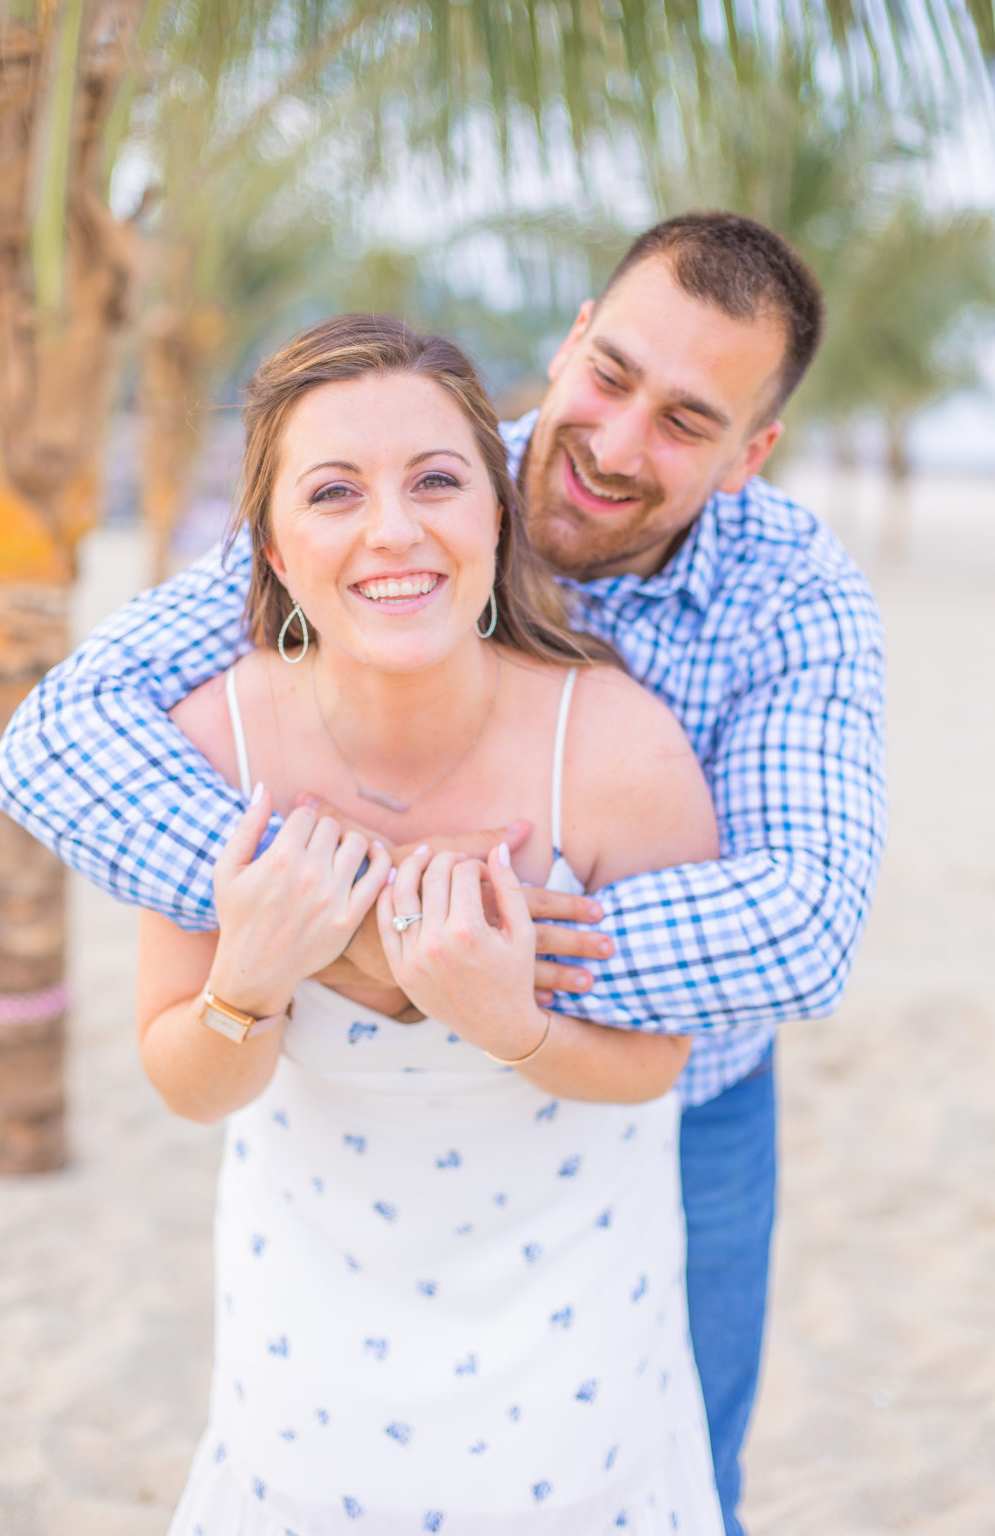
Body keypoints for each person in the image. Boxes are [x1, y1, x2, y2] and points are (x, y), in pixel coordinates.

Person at [0, 211, 887, 1535]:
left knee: (688, 1468)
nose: (619, 443)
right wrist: (346, 933)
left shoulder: (791, 592)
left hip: (683, 1107)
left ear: (752, 455)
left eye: (688, 423)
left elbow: (804, 926)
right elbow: (59, 738)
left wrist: (480, 960)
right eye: (614, 376)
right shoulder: (405, 481)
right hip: (341, 1166)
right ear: (572, 342)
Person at [139, 312, 723, 1533]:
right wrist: (246, 983)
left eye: (437, 480)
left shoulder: (616, 749)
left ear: (496, 516)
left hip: (571, 1344)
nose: (392, 531)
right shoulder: (212, 745)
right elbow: (188, 1084)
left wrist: (506, 1024)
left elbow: (656, 1066)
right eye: (335, 491)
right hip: (306, 1345)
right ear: (278, 546)